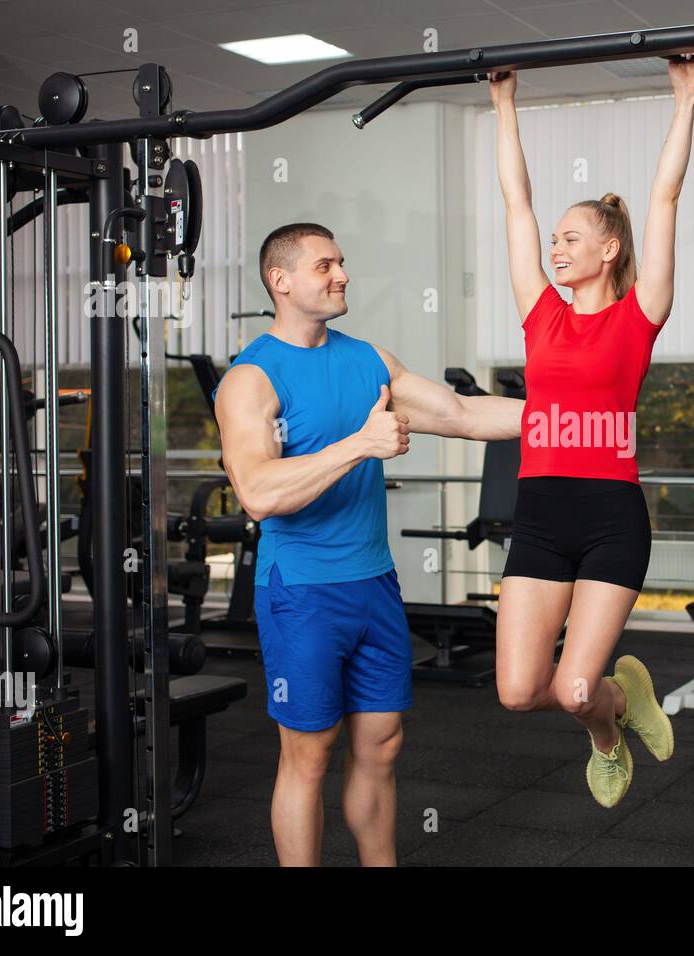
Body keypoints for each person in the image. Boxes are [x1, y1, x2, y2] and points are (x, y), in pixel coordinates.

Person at [213, 222, 522, 866]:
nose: (342, 274)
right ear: (282, 280)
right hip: (301, 589)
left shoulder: (368, 360)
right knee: (309, 751)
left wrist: (569, 412)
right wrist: (361, 443)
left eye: (341, 262)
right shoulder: (251, 379)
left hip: (373, 584)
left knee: (381, 744)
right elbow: (259, 493)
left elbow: (461, 415)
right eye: (325, 265)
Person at [488, 56, 694, 807]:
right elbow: (516, 204)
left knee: (575, 691)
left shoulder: (640, 312)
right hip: (541, 516)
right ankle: (620, 694)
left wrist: (687, 96)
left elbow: (665, 193)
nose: (555, 246)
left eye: (571, 238)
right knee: (519, 691)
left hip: (611, 517)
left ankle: (606, 722)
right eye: (555, 238)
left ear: (608, 249)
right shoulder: (539, 312)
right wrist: (505, 104)